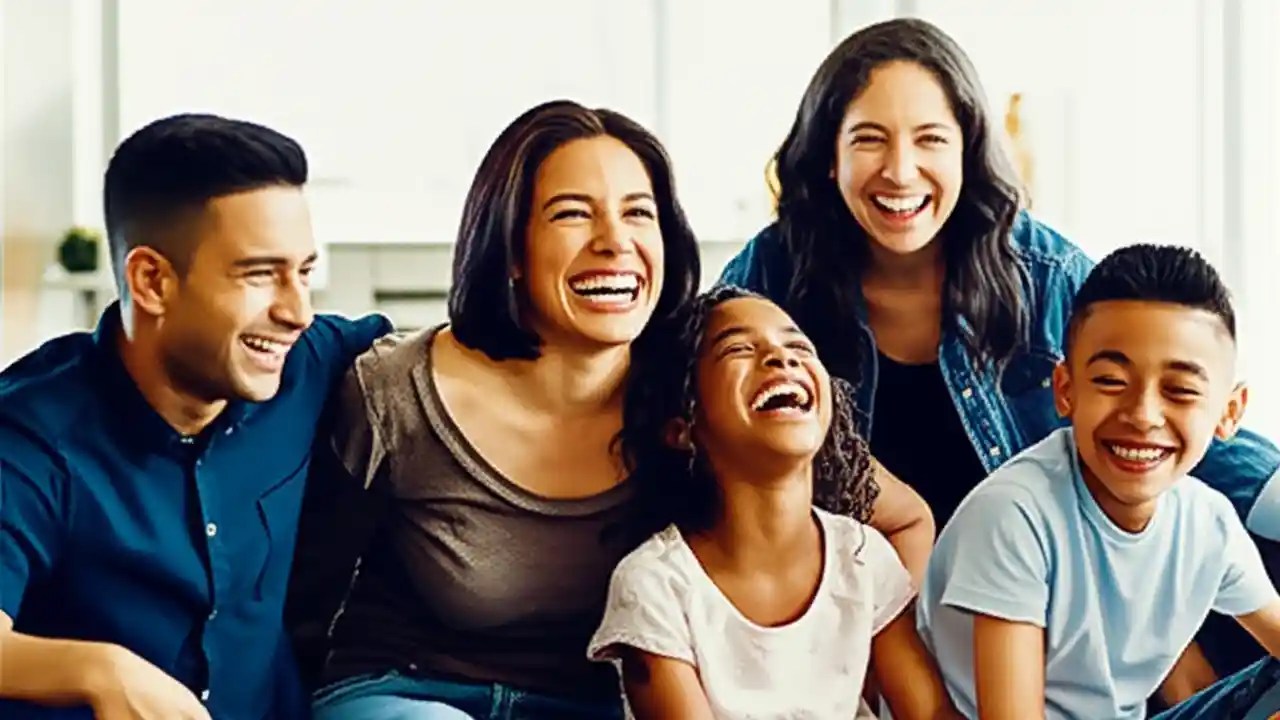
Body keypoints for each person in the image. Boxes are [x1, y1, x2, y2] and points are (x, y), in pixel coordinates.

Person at [285, 100, 936, 720]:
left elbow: (897, 518)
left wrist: (834, 652)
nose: (614, 243)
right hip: (408, 688)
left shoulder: (696, 395)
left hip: (594, 704)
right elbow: (300, 604)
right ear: (510, 250)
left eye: (638, 214)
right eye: (573, 214)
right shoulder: (397, 393)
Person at [717, 16, 1280, 691]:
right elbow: (693, 412)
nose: (900, 171)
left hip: (1065, 602)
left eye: (930, 140)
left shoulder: (1042, 273)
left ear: (968, 151)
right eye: (869, 140)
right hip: (882, 616)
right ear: (827, 155)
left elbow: (1163, 400)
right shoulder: (772, 277)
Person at [0, 114, 391, 719]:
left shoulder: (309, 365)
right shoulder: (31, 433)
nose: (298, 311)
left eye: (305, 272)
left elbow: (470, 356)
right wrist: (100, 671)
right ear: (152, 280)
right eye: (260, 274)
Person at [917, 244, 1280, 720]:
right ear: (1066, 391)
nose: (1143, 416)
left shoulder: (1207, 521)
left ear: (1229, 412)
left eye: (1180, 391)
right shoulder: (1015, 514)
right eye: (1111, 380)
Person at [588, 285, 959, 719]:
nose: (781, 358)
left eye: (798, 345)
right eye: (739, 349)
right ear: (682, 426)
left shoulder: (861, 556)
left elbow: (931, 713)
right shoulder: (655, 586)